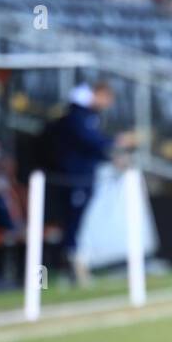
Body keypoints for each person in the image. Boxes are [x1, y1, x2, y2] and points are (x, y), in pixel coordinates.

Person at [50, 81, 117, 286]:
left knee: (75, 223)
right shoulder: (77, 116)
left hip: (83, 176)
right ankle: (67, 269)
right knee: (71, 222)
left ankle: (72, 268)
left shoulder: (88, 115)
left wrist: (109, 155)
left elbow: (92, 147)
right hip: (73, 178)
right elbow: (87, 141)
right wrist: (114, 143)